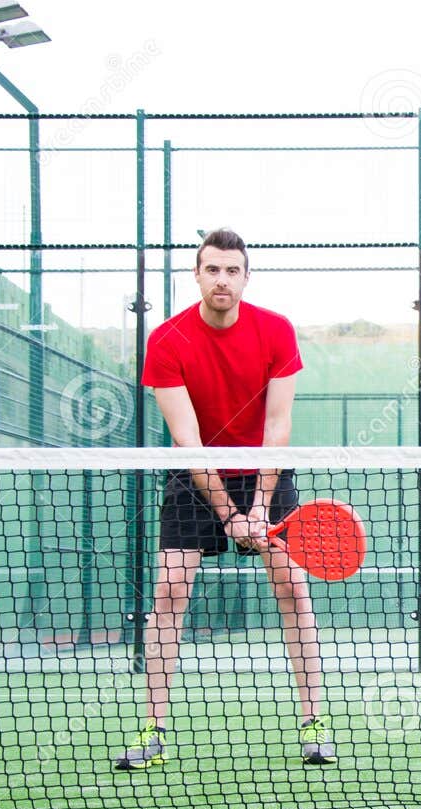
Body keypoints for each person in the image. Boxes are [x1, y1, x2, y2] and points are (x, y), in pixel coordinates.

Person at [115, 227, 335, 769]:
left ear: (245, 277)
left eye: (232, 270)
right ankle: (153, 731)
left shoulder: (276, 331)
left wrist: (259, 508)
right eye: (212, 269)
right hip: (195, 476)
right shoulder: (168, 340)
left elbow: (278, 427)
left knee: (292, 589)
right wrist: (230, 515)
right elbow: (188, 442)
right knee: (169, 591)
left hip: (264, 473)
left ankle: (314, 724)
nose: (222, 279)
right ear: (197, 274)